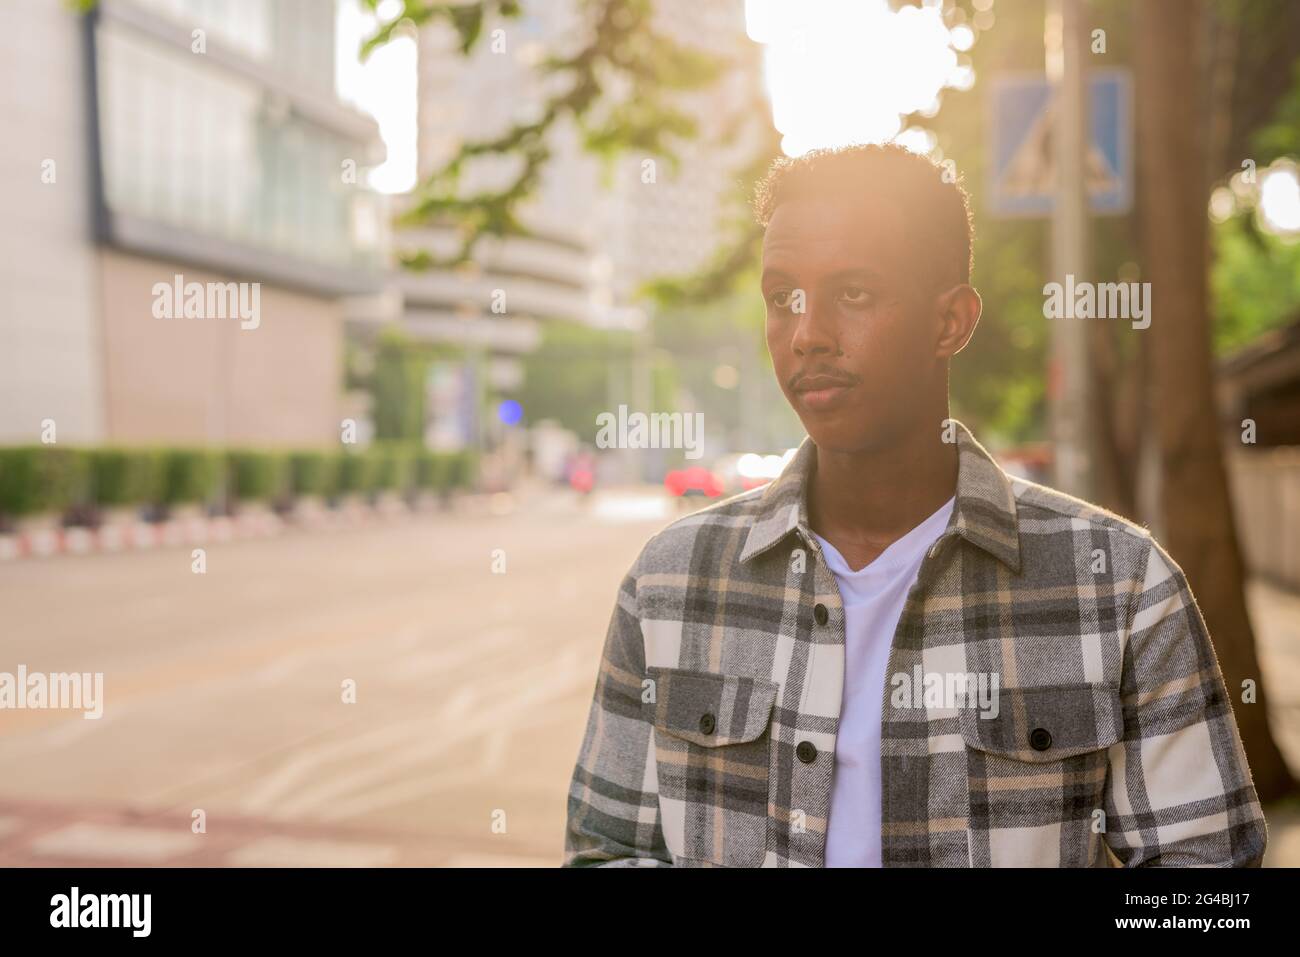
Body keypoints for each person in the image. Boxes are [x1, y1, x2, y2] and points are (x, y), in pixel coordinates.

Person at [563, 143, 1267, 867]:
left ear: (950, 323)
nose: (807, 334)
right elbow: (605, 847)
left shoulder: (1119, 586)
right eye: (784, 299)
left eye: (855, 294)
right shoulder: (671, 584)